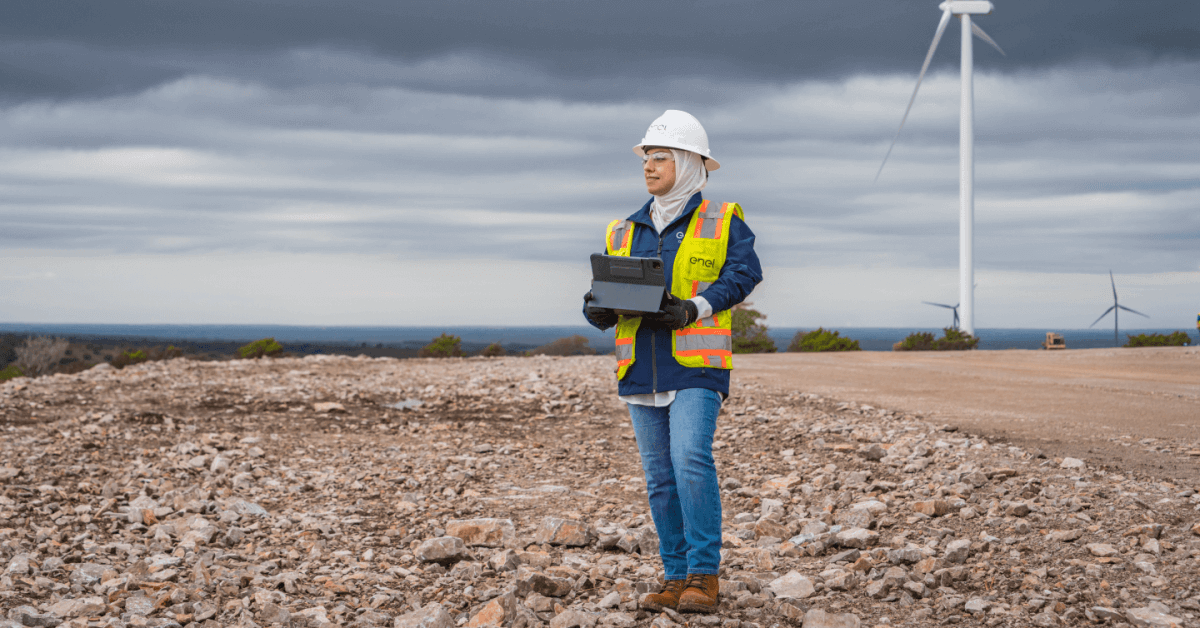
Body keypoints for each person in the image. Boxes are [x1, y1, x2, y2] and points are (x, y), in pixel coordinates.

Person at [583, 110, 762, 614]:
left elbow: (743, 275)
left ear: (688, 162)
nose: (649, 164)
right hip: (641, 367)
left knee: (689, 459)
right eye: (646, 156)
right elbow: (601, 293)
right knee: (659, 476)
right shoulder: (624, 229)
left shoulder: (722, 219)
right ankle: (675, 574)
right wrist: (595, 308)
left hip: (696, 366)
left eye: (660, 156)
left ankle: (704, 576)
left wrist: (693, 308)